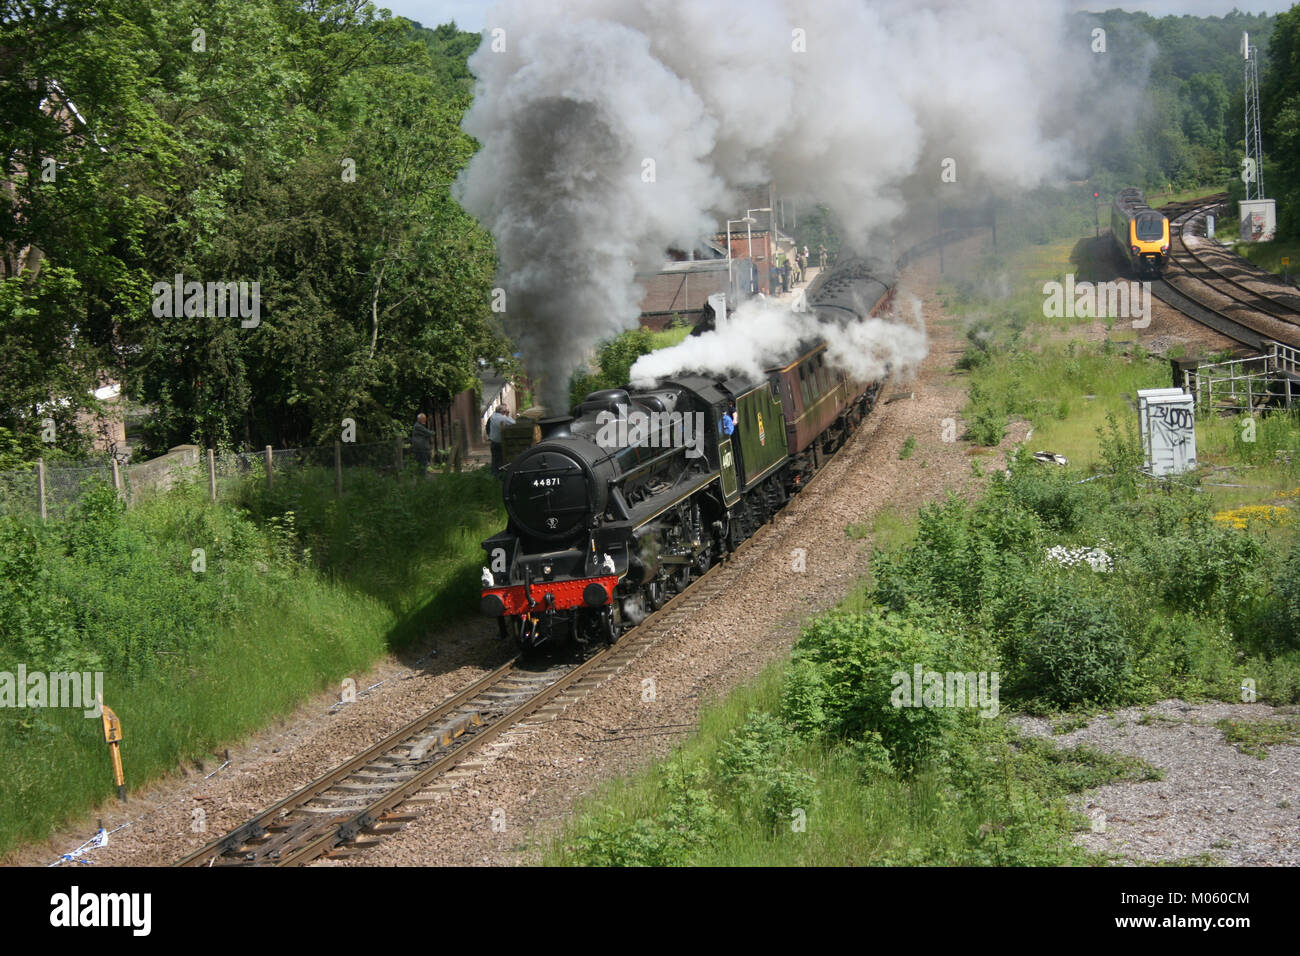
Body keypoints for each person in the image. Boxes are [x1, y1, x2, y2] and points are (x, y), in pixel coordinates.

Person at [487, 404, 515, 476]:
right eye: (505, 411)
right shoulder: (503, 419)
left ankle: (493, 477)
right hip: (500, 443)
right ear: (503, 412)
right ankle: (500, 476)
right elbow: (514, 423)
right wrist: (508, 415)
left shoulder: (493, 416)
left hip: (493, 442)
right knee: (502, 461)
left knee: (494, 461)